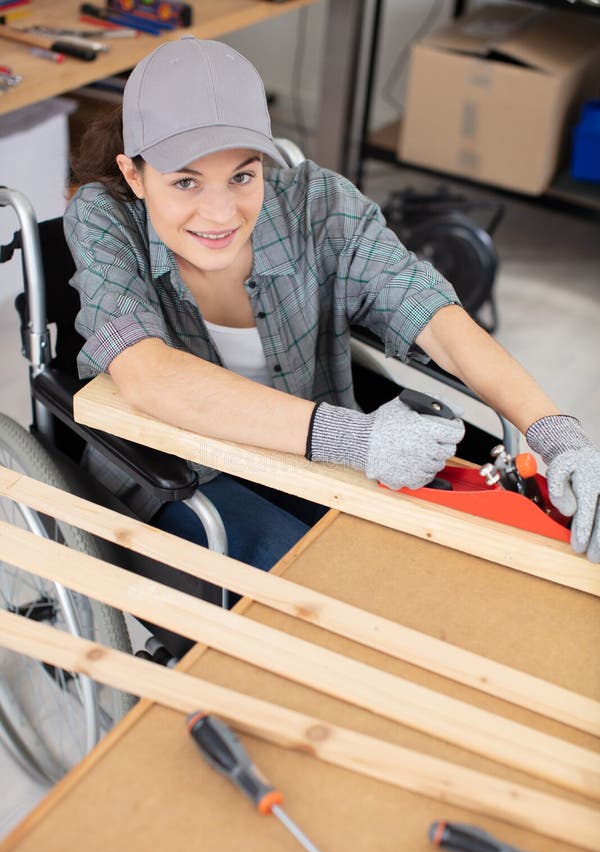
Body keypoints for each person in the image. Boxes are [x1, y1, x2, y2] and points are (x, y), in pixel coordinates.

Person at [65, 36, 600, 575]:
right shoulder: (103, 219)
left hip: (312, 457)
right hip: (178, 473)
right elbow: (148, 375)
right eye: (186, 182)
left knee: (435, 570)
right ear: (135, 175)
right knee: (329, 585)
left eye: (243, 176)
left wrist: (557, 434)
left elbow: (431, 312)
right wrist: (355, 438)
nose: (221, 213)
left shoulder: (318, 206)